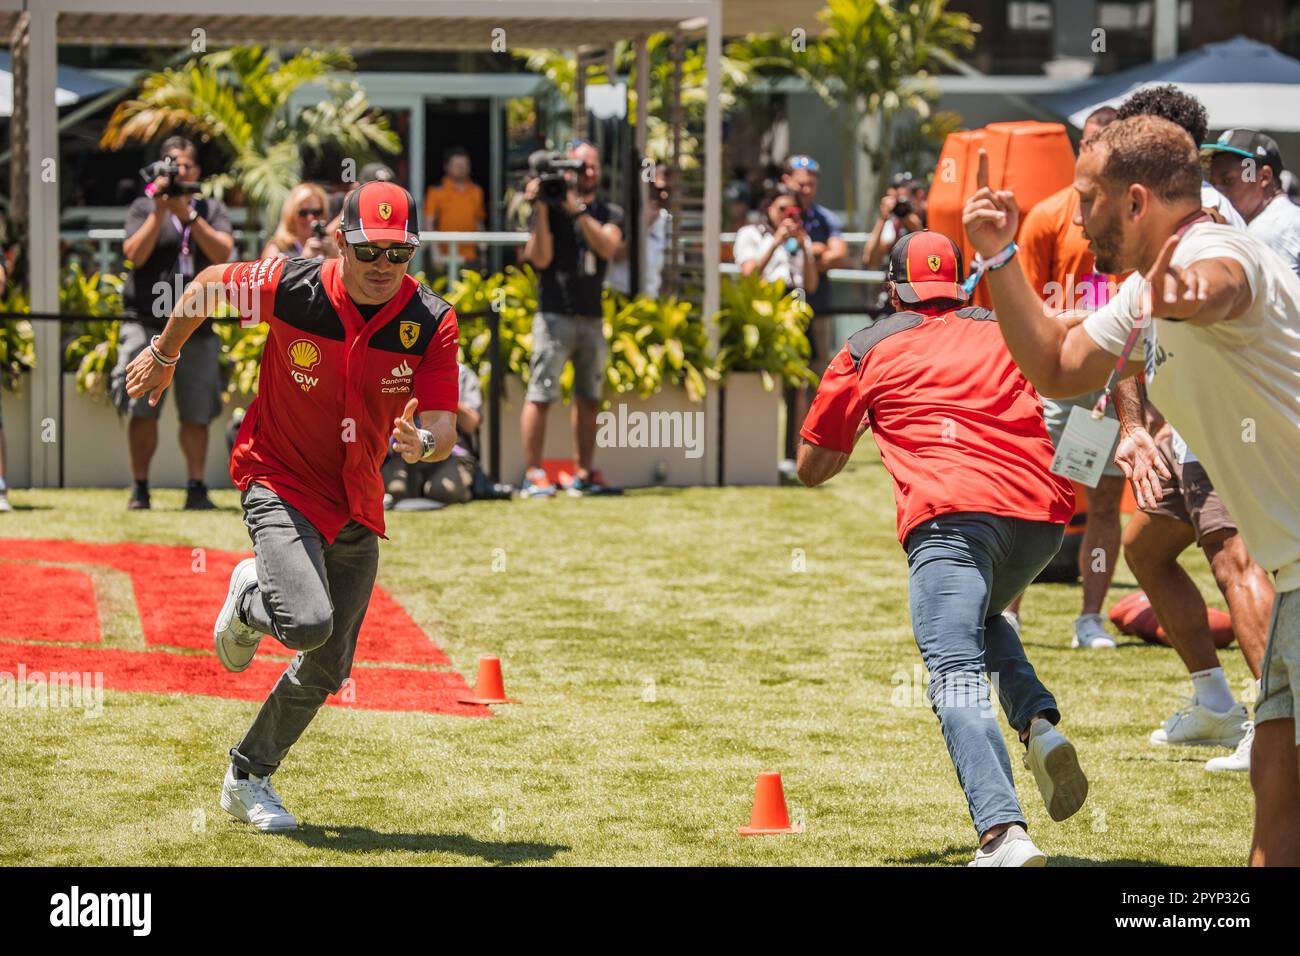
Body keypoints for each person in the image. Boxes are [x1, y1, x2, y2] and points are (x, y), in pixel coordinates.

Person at [962, 116, 1300, 864]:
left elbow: (1219, 290)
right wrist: (999, 255)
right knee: (1279, 788)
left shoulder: (1212, 250)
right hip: (1292, 573)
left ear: (1136, 201)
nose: (1078, 217)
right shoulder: (1147, 288)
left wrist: (1167, 298)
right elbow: (1055, 361)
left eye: (1089, 200)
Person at [124, 180, 459, 832]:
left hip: (358, 499)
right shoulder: (294, 286)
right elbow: (203, 287)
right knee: (307, 623)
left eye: (399, 254)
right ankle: (253, 597)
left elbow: (442, 429)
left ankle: (247, 775)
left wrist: (422, 445)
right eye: (370, 252)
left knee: (330, 666)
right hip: (277, 477)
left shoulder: (431, 320)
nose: (384, 268)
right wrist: (165, 354)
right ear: (340, 242)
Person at [798, 229, 1085, 867]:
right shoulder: (1007, 323)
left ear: (893, 287)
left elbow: (813, 466)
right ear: (961, 284)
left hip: (952, 518)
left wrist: (869, 413)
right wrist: (1130, 430)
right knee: (983, 621)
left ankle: (1002, 834)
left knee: (954, 675)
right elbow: (1097, 339)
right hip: (1040, 519)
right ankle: (1037, 723)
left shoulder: (865, 346)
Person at [1108, 89, 1274, 770]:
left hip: (1226, 424)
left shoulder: (1212, 224)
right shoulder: (1147, 217)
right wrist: (1135, 424)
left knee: (1235, 561)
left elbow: (1215, 297)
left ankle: (1273, 721)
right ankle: (1214, 703)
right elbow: (1123, 330)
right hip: (1184, 425)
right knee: (1144, 550)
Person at [1003, 105, 1121, 649]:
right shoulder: (1050, 215)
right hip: (1058, 378)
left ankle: (1089, 619)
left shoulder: (1132, 218)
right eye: (1092, 143)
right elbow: (1027, 310)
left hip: (1112, 383)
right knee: (1032, 494)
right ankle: (1009, 611)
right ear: (1080, 147)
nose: (1097, 153)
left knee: (1101, 499)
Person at [113, 135, 235, 511]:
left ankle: (196, 487)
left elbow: (223, 252)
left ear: (196, 171)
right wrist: (160, 211)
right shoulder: (142, 206)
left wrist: (188, 215)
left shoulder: (210, 208)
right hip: (145, 322)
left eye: (182, 164)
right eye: (168, 163)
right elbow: (133, 255)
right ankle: (140, 488)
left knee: (197, 411)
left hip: (196, 327)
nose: (176, 171)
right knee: (141, 408)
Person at [518, 140, 624, 498]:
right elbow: (541, 259)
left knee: (589, 397)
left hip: (591, 316)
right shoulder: (551, 206)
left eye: (591, 166)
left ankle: (584, 474)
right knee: (541, 393)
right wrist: (544, 208)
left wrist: (576, 209)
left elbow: (608, 247)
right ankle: (533, 474)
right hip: (553, 315)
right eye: (580, 167)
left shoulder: (609, 212)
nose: (587, 172)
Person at [382, 362, 482, 507]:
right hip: (403, 453)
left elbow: (471, 423)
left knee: (444, 491)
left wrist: (443, 397)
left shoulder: (464, 374)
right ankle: (419, 485)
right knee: (397, 490)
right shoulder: (398, 368)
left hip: (452, 455)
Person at [1204, 129, 1300, 279]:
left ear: (1264, 177)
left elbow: (1276, 302)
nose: (1217, 192)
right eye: (1213, 183)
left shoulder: (1267, 229)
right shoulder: (1287, 215)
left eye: (1228, 181)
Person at [733, 184, 819, 294]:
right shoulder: (750, 233)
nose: (787, 215)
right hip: (764, 299)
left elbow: (811, 286)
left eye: (793, 210)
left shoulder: (802, 237)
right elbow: (749, 276)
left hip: (796, 299)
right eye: (782, 209)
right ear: (769, 208)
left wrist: (803, 247)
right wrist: (775, 243)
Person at [423, 147, 487, 274]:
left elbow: (479, 221)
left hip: (471, 256)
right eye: (457, 165)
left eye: (465, 164)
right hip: (445, 256)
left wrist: (483, 252)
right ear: (447, 166)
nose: (461, 168)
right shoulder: (436, 190)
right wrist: (435, 252)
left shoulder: (476, 191)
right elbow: (429, 223)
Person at [862, 173, 925, 270]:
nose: (901, 193)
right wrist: (882, 218)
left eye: (909, 191)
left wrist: (911, 220)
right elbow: (871, 260)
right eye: (896, 188)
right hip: (898, 282)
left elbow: (928, 250)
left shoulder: (930, 217)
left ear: (920, 194)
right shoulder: (892, 223)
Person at [261, 183, 333, 260]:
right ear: (291, 215)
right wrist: (304, 259)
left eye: (316, 212)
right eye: (303, 213)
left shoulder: (331, 246)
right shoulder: (276, 249)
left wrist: (337, 258)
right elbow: (273, 272)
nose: (310, 218)